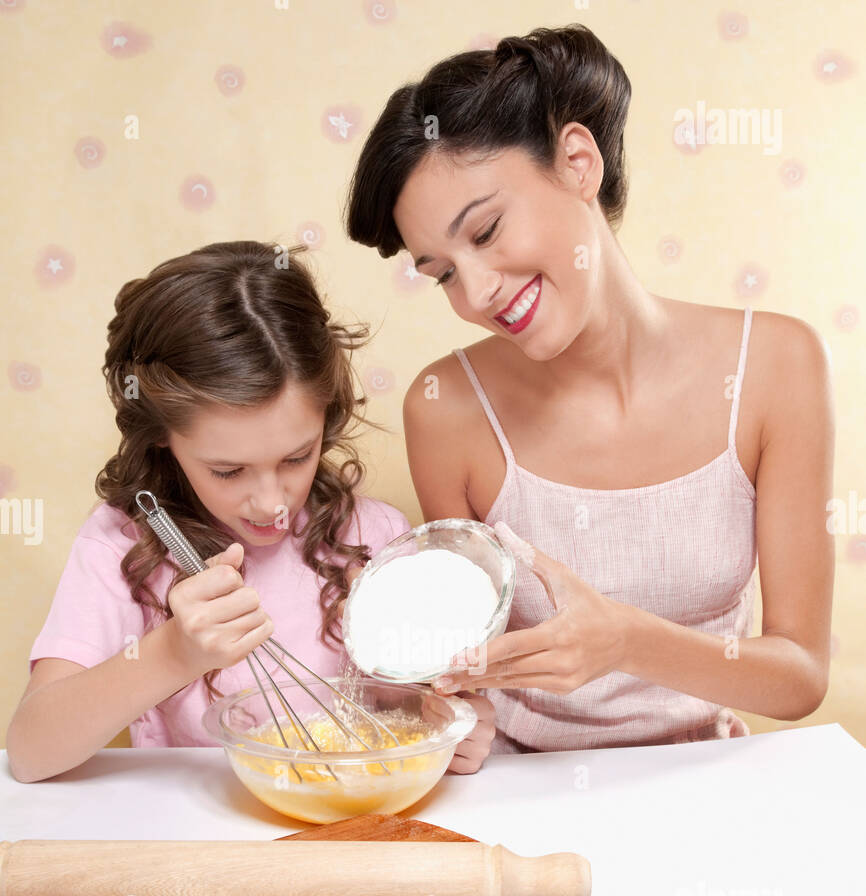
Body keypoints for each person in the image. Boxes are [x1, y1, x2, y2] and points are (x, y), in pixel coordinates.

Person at [345, 24, 834, 755]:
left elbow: (799, 679)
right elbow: (463, 672)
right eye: (441, 272)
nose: (475, 292)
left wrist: (626, 643)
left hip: (703, 781)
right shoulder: (446, 408)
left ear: (578, 162)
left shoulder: (774, 366)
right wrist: (447, 712)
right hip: (521, 803)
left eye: (484, 230)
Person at [6, 240, 496, 781]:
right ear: (164, 437)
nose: (271, 502)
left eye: (296, 457)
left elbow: (416, 711)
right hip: (204, 849)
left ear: (326, 417)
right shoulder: (122, 547)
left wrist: (454, 728)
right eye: (227, 470)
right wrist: (172, 654)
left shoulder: (376, 536)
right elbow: (31, 753)